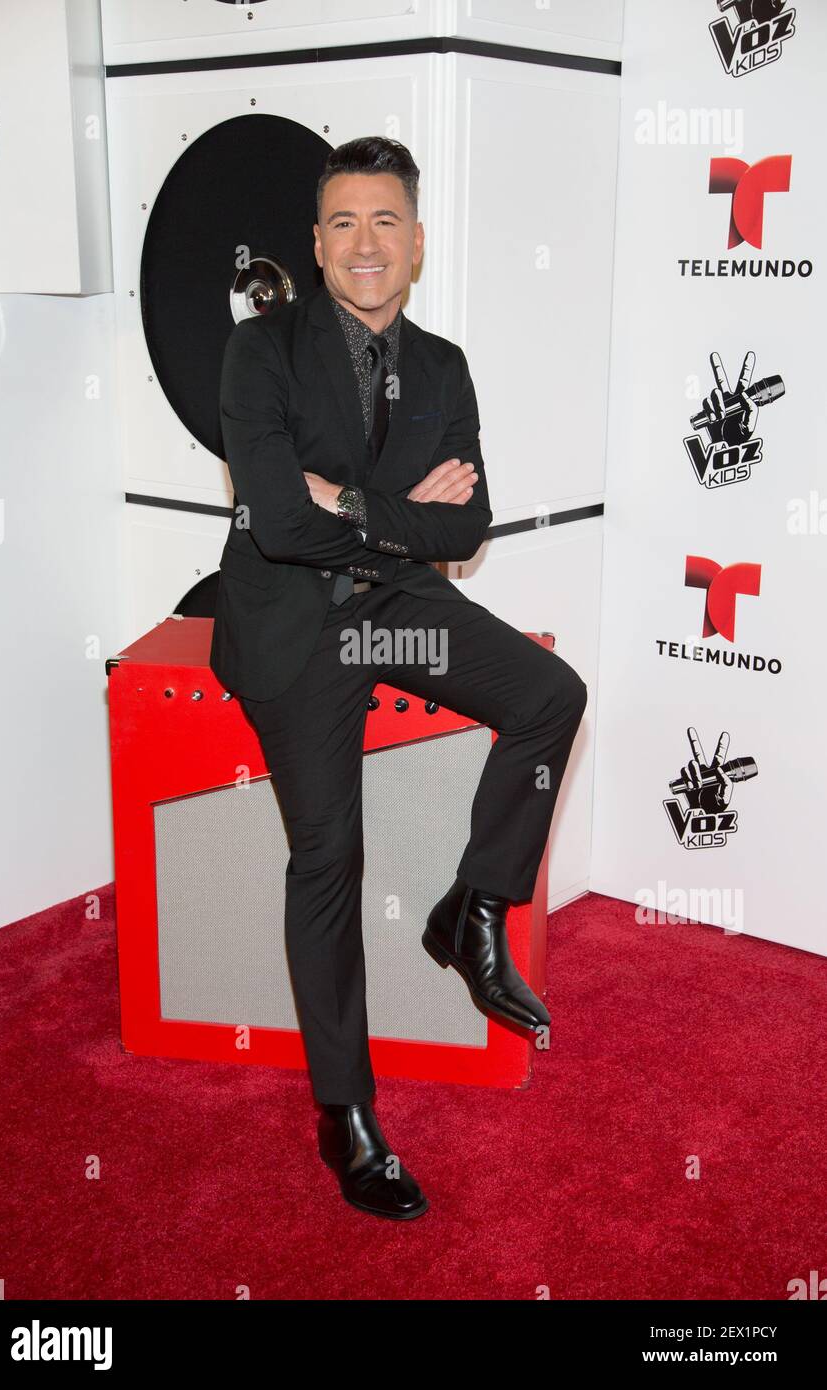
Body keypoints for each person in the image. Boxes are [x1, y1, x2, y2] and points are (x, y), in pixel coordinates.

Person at [210, 136, 587, 1221]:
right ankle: (346, 1113)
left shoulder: (444, 364)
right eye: (341, 223)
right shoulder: (260, 353)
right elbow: (277, 525)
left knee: (548, 698)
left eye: (385, 222)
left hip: (393, 616)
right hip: (294, 629)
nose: (364, 244)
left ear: (415, 245)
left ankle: (471, 908)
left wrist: (356, 504)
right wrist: (382, 516)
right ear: (315, 246)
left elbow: (466, 524)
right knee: (329, 853)